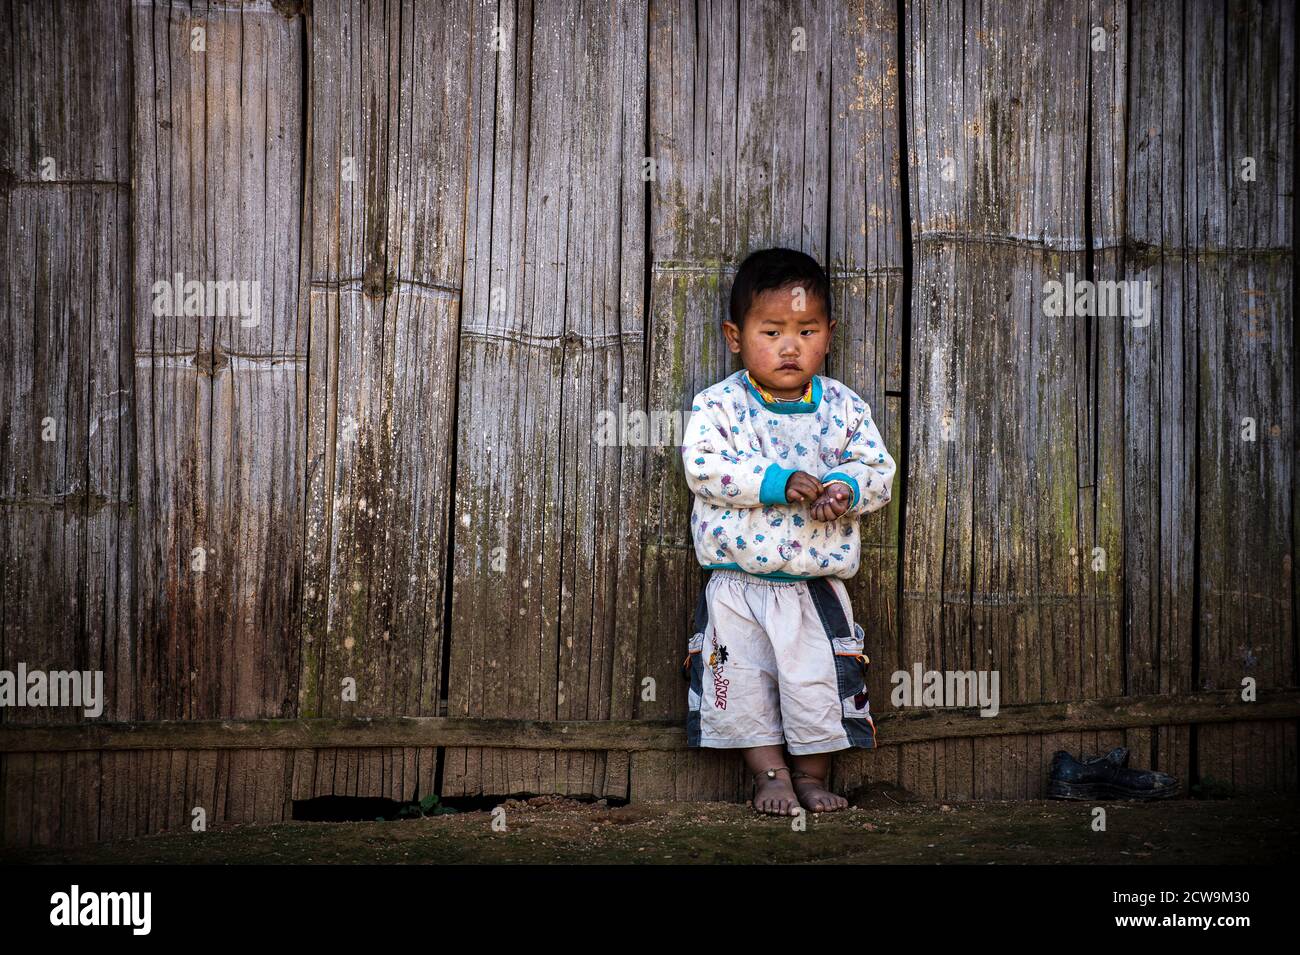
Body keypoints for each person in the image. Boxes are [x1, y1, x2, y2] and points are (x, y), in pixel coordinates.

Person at [680, 247, 896, 816]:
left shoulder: (844, 408)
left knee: (816, 680)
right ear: (735, 336)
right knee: (739, 681)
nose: (790, 346)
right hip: (737, 585)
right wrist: (775, 481)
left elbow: (878, 471)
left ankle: (811, 775)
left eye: (807, 331)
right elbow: (703, 468)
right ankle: (770, 775)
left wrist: (845, 488)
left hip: (812, 587)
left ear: (830, 335)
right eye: (772, 331)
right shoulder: (720, 406)